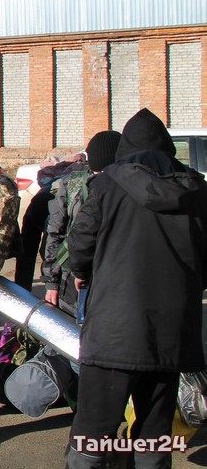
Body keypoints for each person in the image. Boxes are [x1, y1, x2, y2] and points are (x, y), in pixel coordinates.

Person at [66, 109, 207, 469]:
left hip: (114, 329)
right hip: (171, 331)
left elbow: (80, 243)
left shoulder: (107, 183)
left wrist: (82, 272)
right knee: (156, 428)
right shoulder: (196, 188)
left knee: (92, 431)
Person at [41, 130, 120, 317]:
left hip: (79, 273)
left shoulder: (73, 183)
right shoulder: (75, 184)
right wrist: (52, 282)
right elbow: (55, 232)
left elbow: (54, 232)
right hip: (81, 275)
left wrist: (51, 282)